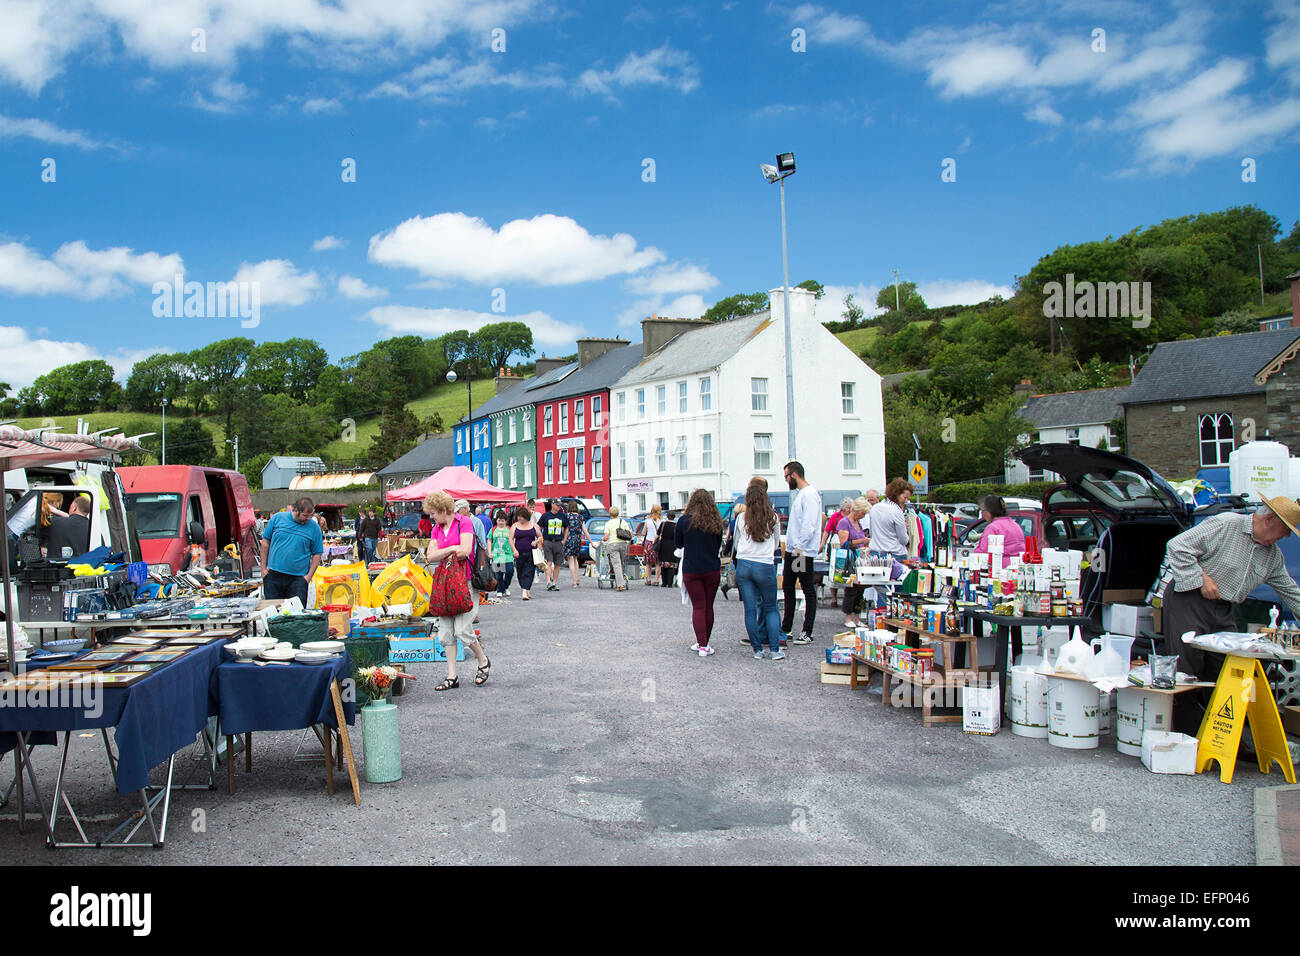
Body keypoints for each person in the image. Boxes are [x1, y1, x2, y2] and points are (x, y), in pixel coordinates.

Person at [1162, 495, 1300, 732]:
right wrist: (1201, 578)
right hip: (1190, 599)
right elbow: (1178, 546)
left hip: (1224, 609)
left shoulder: (1272, 556)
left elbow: (1291, 592)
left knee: (1228, 669)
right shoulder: (1226, 524)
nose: (1286, 536)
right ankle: (1187, 738)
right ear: (1270, 519)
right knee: (1187, 669)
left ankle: (1220, 736)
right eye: (1286, 529)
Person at [425, 491, 491, 690]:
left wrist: (443, 551)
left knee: (462, 628)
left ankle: (483, 660)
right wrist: (450, 549)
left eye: (433, 513)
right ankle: (451, 676)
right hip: (444, 583)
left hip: (465, 581)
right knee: (445, 632)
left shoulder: (464, 522)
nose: (431, 517)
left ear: (444, 510)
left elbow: (465, 551)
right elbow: (430, 555)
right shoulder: (436, 529)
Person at [735, 483, 785, 660]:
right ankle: (775, 649)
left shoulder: (741, 517)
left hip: (744, 564)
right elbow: (777, 543)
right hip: (764, 564)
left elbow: (736, 542)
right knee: (770, 607)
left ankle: (757, 650)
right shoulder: (773, 517)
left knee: (750, 609)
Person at [675, 489, 725, 656]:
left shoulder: (684, 521)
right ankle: (705, 643)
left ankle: (701, 643)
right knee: (708, 606)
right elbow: (718, 545)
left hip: (691, 569)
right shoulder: (716, 521)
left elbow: (679, 544)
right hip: (711, 568)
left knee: (698, 606)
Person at [781, 460, 822, 645]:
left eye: (786, 476)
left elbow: (809, 524)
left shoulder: (810, 495)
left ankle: (807, 630)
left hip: (801, 552)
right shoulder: (801, 495)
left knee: (806, 589)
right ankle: (786, 628)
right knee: (788, 588)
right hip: (794, 550)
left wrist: (800, 546)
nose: (786, 480)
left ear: (794, 475)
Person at [259, 497, 324, 605]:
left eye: (310, 516)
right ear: (296, 511)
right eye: (305, 515)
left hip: (298, 579)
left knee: (296, 616)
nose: (308, 519)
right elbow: (265, 543)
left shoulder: (314, 528)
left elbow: (317, 554)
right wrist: (263, 569)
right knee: (273, 613)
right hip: (274, 576)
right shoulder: (277, 518)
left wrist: (308, 577)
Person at [836, 497, 872, 628]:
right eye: (862, 513)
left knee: (860, 589)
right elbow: (844, 544)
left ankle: (857, 616)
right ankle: (848, 616)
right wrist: (863, 540)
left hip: (860, 559)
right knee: (851, 589)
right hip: (849, 560)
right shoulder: (844, 522)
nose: (863, 516)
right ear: (857, 510)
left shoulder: (858, 523)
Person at [974, 494, 1025, 572]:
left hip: (999, 570)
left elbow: (983, 553)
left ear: (988, 511)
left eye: (982, 511)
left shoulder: (992, 528)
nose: (982, 515)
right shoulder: (1015, 525)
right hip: (1018, 568)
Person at [868, 478, 913, 566]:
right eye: (905, 497)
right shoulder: (897, 511)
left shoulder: (874, 508)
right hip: (895, 554)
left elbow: (872, 533)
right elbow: (903, 539)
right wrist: (904, 529)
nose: (906, 501)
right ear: (896, 494)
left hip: (876, 554)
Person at [457, 499, 492, 606]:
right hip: (461, 558)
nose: (456, 513)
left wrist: (482, 562)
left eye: (458, 511)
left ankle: (473, 612)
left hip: (474, 559)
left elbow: (482, 543)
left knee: (473, 586)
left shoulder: (476, 522)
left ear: (465, 509)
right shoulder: (457, 521)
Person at [46, 495, 91, 560]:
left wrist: (56, 511)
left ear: (74, 508)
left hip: (61, 567)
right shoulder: (93, 528)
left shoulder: (57, 522)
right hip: (86, 567)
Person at [510, 506, 538, 600]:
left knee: (529, 571)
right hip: (519, 553)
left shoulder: (533, 525)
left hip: (531, 552)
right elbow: (510, 539)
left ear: (526, 516)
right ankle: (526, 588)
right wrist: (514, 550)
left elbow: (541, 537)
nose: (519, 518)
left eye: (521, 516)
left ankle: (525, 591)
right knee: (520, 572)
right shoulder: (515, 526)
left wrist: (536, 542)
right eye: (518, 516)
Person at [601, 506, 632, 591]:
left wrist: (603, 539)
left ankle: (620, 585)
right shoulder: (623, 522)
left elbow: (606, 537)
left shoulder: (608, 523)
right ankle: (620, 582)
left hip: (613, 545)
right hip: (623, 544)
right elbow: (630, 533)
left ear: (610, 513)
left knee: (616, 565)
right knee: (621, 564)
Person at [540, 500, 567, 591]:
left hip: (558, 542)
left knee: (558, 563)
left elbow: (566, 527)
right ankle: (548, 581)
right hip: (548, 541)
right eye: (557, 505)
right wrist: (540, 540)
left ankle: (554, 582)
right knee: (549, 562)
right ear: (553, 505)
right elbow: (539, 528)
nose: (559, 507)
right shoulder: (545, 516)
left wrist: (564, 539)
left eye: (560, 505)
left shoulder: (562, 516)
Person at [489, 511, 515, 603]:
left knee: (510, 571)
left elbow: (513, 540)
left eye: (502, 520)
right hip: (496, 556)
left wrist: (514, 550)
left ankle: (506, 586)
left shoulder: (509, 529)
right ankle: (500, 590)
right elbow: (489, 541)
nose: (500, 522)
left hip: (508, 555)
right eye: (499, 520)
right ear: (496, 520)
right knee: (498, 574)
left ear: (506, 521)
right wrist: (490, 552)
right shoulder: (493, 530)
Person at [563, 500, 588, 588]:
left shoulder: (567, 516)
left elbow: (564, 529)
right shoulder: (580, 517)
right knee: (575, 559)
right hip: (578, 539)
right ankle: (577, 579)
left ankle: (574, 581)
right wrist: (591, 541)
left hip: (569, 538)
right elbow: (585, 530)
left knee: (570, 559)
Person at [640, 503, 665, 586]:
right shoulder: (662, 521)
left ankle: (649, 580)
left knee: (648, 563)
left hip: (649, 543)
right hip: (658, 543)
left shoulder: (648, 521)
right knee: (658, 563)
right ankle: (657, 580)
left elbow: (643, 533)